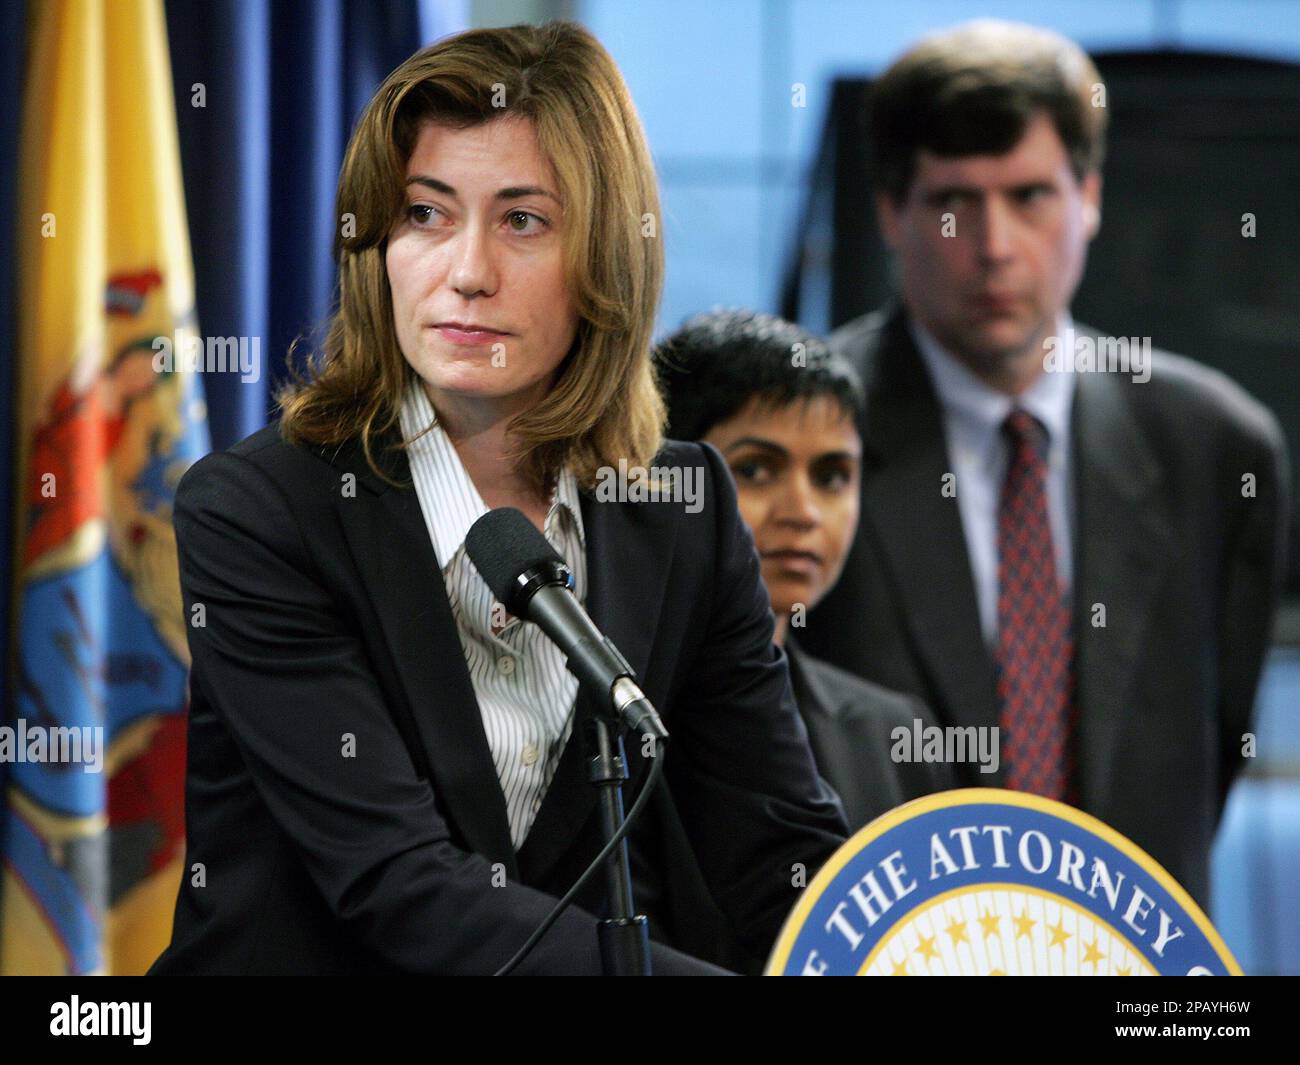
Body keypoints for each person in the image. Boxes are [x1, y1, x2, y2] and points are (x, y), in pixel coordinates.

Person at [148, 21, 846, 976]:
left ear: (606, 257)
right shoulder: (259, 511)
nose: (465, 272)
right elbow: (404, 889)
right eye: (426, 214)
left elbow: (777, 856)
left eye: (522, 220)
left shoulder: (681, 507)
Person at [799, 20, 1290, 909]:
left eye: (1031, 196)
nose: (993, 244)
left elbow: (1212, 752)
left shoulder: (1216, 443)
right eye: (955, 201)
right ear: (889, 211)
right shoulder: (802, 439)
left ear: (1090, 196)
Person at [652, 309, 957, 971]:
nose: (803, 511)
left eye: (832, 475)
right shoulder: (604, 709)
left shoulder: (895, 733)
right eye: (757, 469)